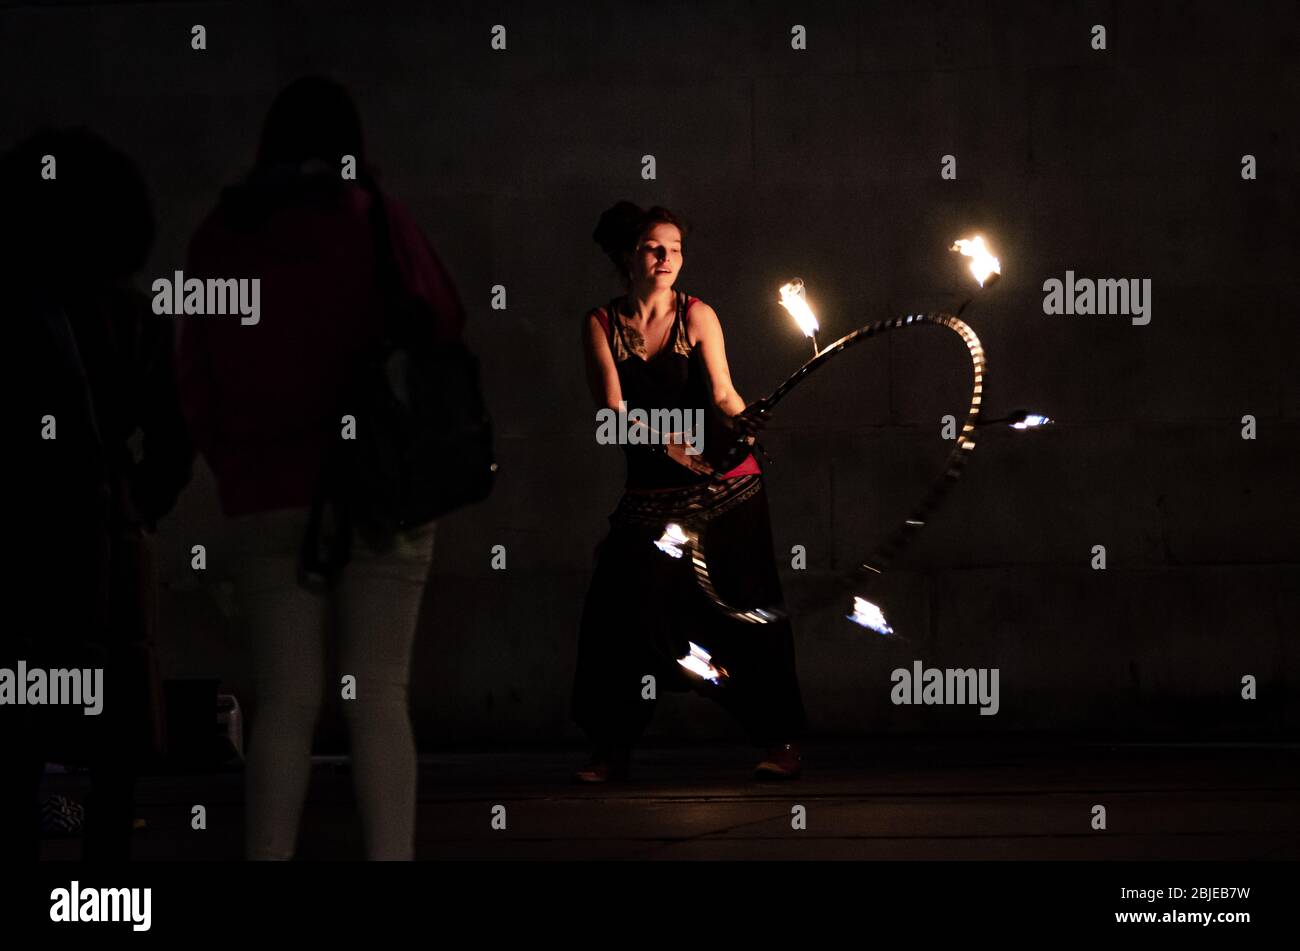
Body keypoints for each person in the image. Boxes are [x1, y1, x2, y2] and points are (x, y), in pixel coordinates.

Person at [177, 77, 466, 860]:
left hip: (268, 494)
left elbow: (193, 374)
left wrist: (234, 460)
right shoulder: (375, 222)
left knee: (285, 703)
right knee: (379, 695)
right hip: (381, 493)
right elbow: (443, 318)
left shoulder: (221, 234)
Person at [1, 129, 194, 860]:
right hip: (105, 545)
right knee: (112, 760)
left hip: (23, 541)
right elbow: (175, 438)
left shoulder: (17, 312)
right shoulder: (133, 317)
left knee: (20, 743)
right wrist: (137, 505)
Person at [572, 201, 808, 782]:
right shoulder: (600, 324)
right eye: (655, 247)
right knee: (619, 617)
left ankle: (779, 740)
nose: (667, 258)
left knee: (745, 613)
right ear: (628, 256)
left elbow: (723, 395)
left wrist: (744, 417)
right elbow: (610, 416)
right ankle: (609, 750)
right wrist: (668, 445)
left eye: (675, 249)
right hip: (650, 497)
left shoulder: (698, 314)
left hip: (725, 491)